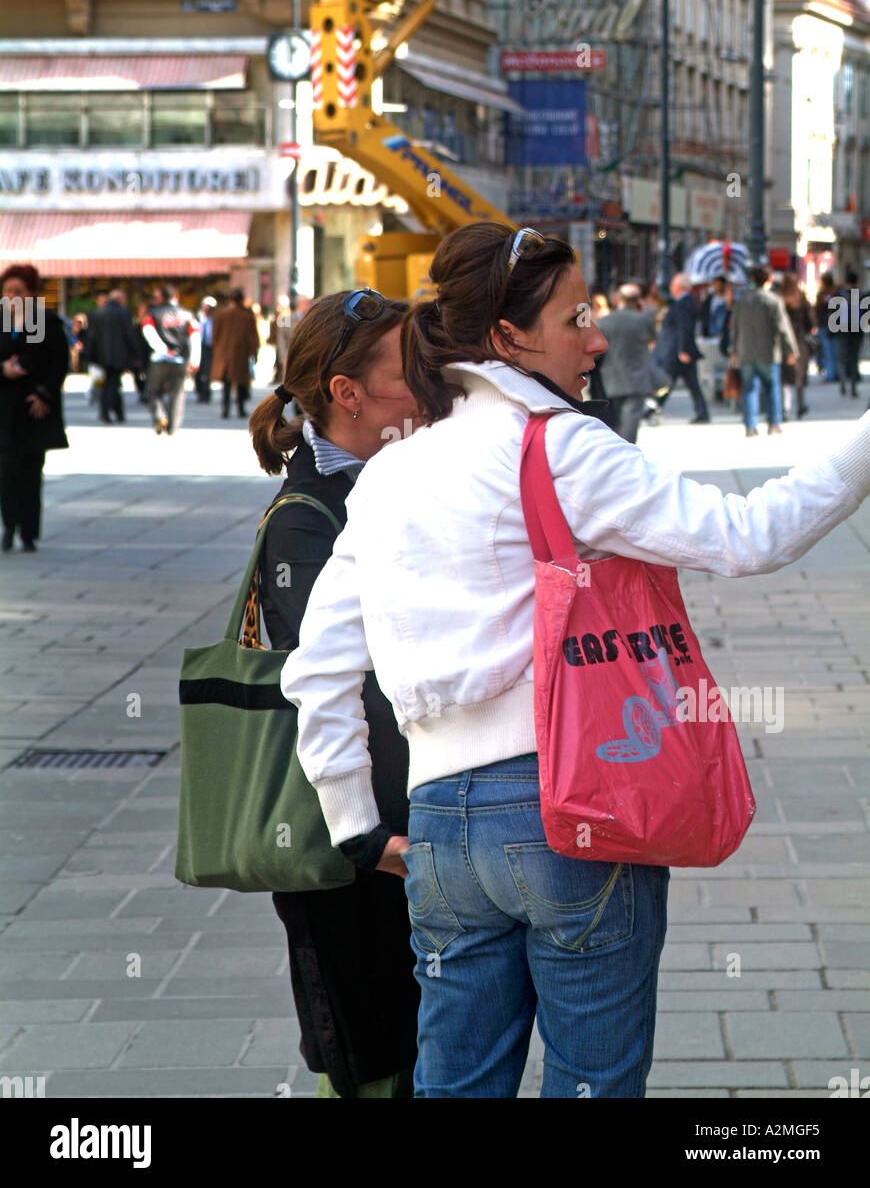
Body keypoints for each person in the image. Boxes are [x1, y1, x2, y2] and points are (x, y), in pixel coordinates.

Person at [280, 221, 870, 1099]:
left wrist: (354, 824)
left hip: (441, 830)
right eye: (575, 318)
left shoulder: (392, 472)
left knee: (456, 1086)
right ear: (510, 339)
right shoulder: (558, 445)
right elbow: (750, 534)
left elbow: (318, 664)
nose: (595, 337)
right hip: (572, 808)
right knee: (592, 1084)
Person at [249, 288, 420, 1099]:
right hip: (349, 838)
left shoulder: (395, 477)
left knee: (411, 1042)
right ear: (347, 394)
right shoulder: (307, 518)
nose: (429, 383)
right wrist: (375, 835)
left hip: (399, 824)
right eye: (408, 367)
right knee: (370, 1054)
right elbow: (339, 682)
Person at [0, 264, 69, 552]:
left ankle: (28, 530)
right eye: (7, 292)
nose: (12, 297)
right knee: (5, 470)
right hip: (4, 407)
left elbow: (54, 364)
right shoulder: (2, 319)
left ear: (31, 293)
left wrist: (44, 393)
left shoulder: (42, 320)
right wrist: (3, 369)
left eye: (19, 291)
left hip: (33, 407)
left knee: (29, 470)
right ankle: (9, 525)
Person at [729, 264, 798, 437]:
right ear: (769, 279)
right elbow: (783, 328)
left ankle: (751, 426)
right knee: (772, 388)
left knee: (749, 389)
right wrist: (791, 350)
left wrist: (734, 348)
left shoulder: (742, 300)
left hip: (745, 351)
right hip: (768, 352)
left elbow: (734, 327)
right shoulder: (773, 300)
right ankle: (774, 423)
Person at [596, 283, 658, 443]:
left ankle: (618, 449)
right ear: (638, 300)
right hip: (636, 376)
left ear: (618, 299)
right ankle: (626, 451)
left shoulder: (604, 321)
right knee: (631, 422)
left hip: (612, 376)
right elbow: (653, 340)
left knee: (615, 420)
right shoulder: (644, 320)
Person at [141, 284, 200, 435]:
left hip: (159, 359)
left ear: (160, 297)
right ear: (176, 297)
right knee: (177, 393)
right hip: (180, 359)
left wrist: (163, 350)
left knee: (153, 392)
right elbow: (195, 337)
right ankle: (172, 427)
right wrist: (195, 360)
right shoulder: (188, 314)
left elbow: (148, 332)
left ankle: (159, 416)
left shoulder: (153, 313)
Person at [653, 272, 710, 424]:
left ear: (679, 287)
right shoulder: (683, 302)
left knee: (667, 382)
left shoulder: (684, 303)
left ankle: (654, 407)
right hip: (679, 351)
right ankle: (702, 412)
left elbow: (684, 328)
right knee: (691, 384)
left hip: (678, 352)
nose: (670, 288)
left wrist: (682, 350)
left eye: (673, 285)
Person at [84, 288, 139, 424]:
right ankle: (109, 412)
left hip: (101, 356)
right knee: (113, 384)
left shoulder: (97, 313)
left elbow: (91, 337)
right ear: (120, 299)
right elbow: (129, 334)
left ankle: (113, 412)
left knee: (109, 384)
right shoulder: (123, 313)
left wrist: (90, 356)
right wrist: (136, 353)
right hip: (118, 355)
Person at [212, 289, 259, 419]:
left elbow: (215, 336)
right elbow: (253, 338)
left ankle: (225, 408)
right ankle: (240, 408)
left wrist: (217, 350)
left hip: (224, 354)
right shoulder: (247, 317)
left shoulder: (221, 315)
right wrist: (254, 353)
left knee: (226, 383)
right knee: (241, 383)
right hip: (241, 354)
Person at [777, 272, 813, 420]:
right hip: (799, 341)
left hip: (782, 342)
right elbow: (810, 323)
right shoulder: (802, 300)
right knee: (799, 376)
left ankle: (785, 409)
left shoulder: (779, 299)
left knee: (785, 378)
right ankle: (800, 405)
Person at [830, 267, 866, 399]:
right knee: (854, 358)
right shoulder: (861, 294)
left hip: (842, 330)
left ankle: (843, 379)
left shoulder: (840, 295)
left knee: (842, 358)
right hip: (857, 331)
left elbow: (832, 313)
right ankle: (853, 387)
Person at [814, 272, 840, 382]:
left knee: (828, 352)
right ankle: (835, 373)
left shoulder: (824, 295)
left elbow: (819, 310)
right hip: (833, 326)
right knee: (833, 352)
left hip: (826, 325)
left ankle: (831, 375)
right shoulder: (835, 293)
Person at [195, 296, 216, 403]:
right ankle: (199, 391)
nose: (208, 309)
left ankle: (206, 393)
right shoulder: (197, 318)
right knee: (198, 371)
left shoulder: (215, 319)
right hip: (198, 347)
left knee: (207, 372)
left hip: (209, 347)